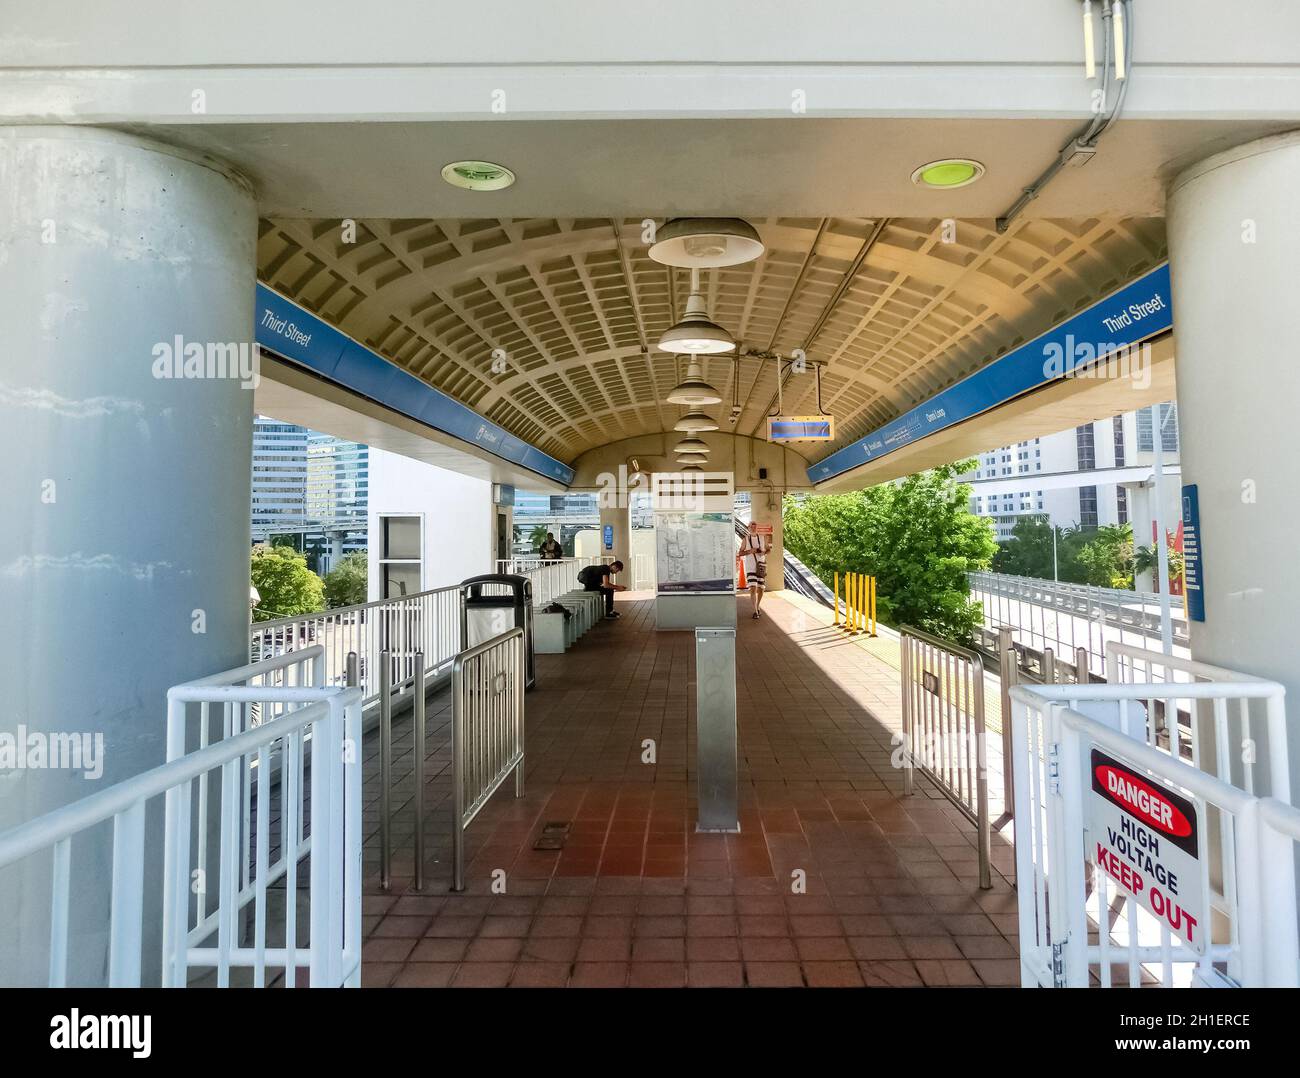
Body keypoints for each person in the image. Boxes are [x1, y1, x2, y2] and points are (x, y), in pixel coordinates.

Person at [739, 522, 769, 619]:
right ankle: (755, 611)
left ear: (757, 527)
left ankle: (758, 605)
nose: (753, 527)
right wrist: (749, 551)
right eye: (751, 526)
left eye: (754, 526)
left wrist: (764, 552)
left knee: (761, 588)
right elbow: (740, 552)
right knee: (753, 587)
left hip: (761, 566)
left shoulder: (762, 538)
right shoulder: (745, 539)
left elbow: (768, 549)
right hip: (750, 567)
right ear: (748, 528)